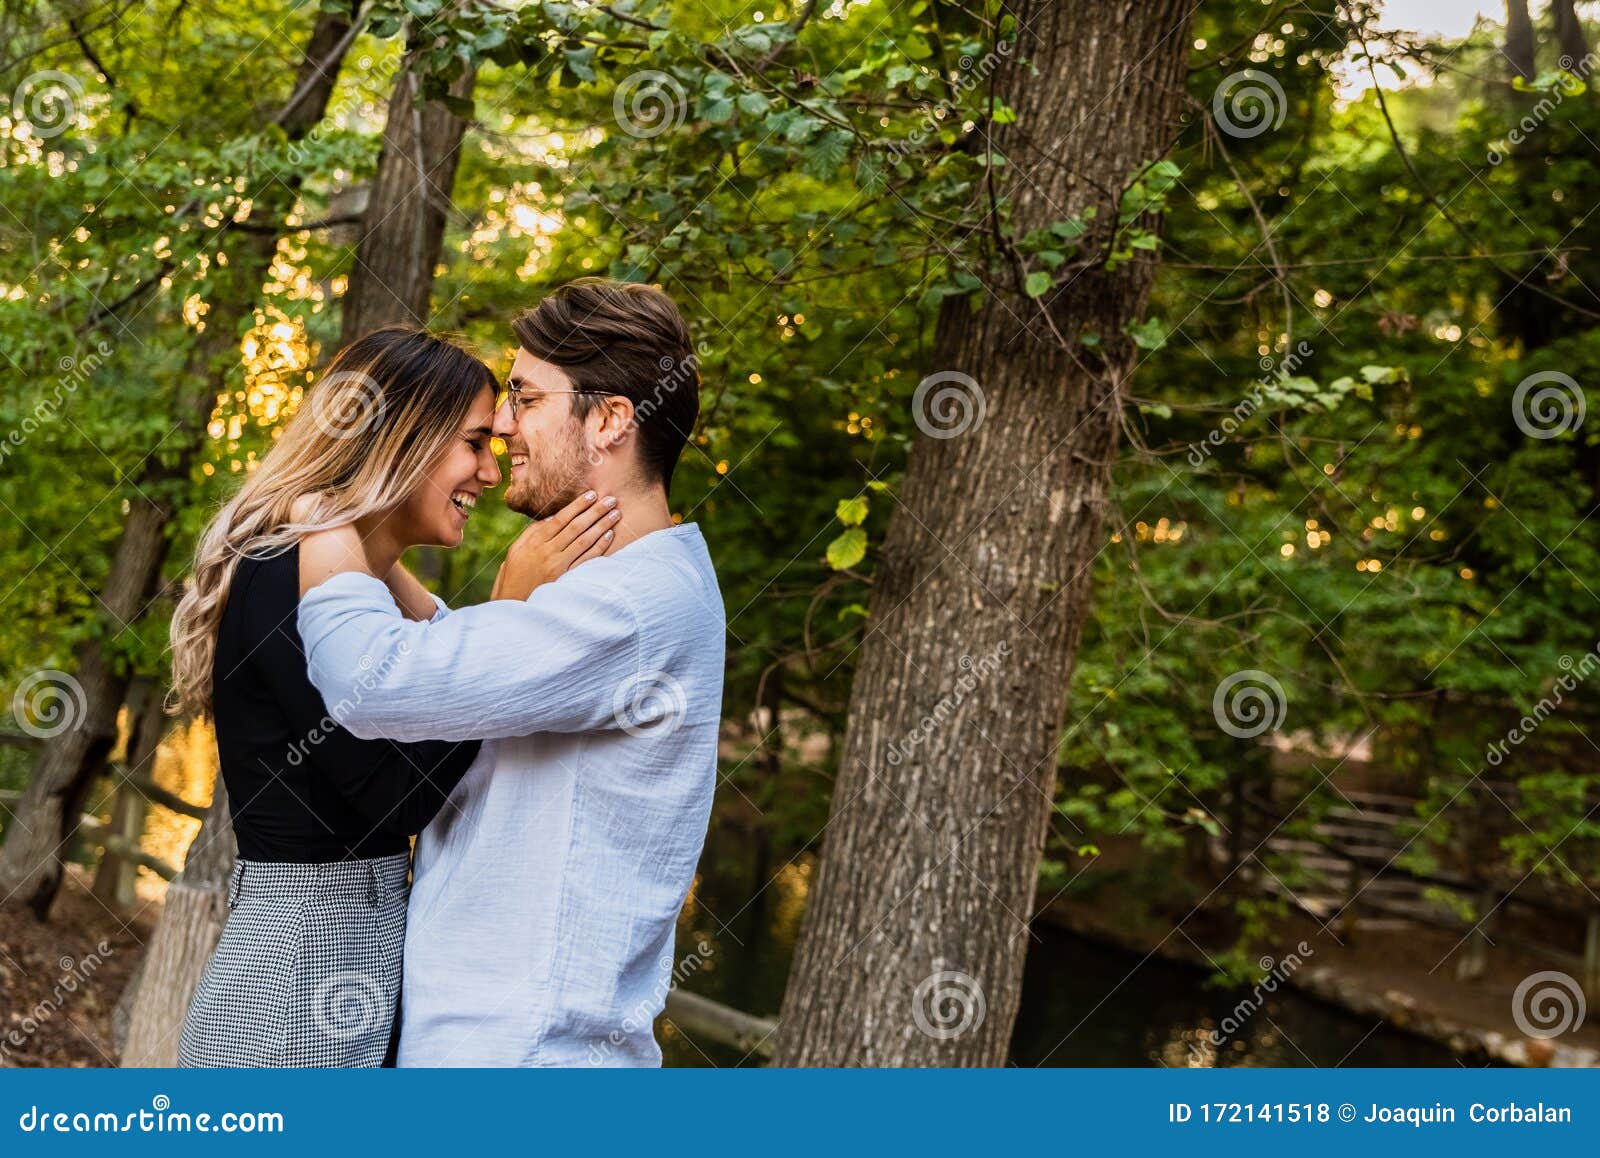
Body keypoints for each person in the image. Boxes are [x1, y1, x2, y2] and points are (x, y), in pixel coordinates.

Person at [297, 278, 725, 1066]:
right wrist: (392, 567)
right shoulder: (628, 592)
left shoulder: (632, 604)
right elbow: (484, 674)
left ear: (609, 420)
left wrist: (324, 524)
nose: (500, 424)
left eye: (525, 397)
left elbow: (375, 684)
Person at [168, 326, 617, 1067]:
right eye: (474, 442)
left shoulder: (366, 596)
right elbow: (393, 795)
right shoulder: (284, 575)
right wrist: (510, 615)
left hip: (344, 977)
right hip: (289, 1000)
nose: (489, 468)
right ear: (402, 442)